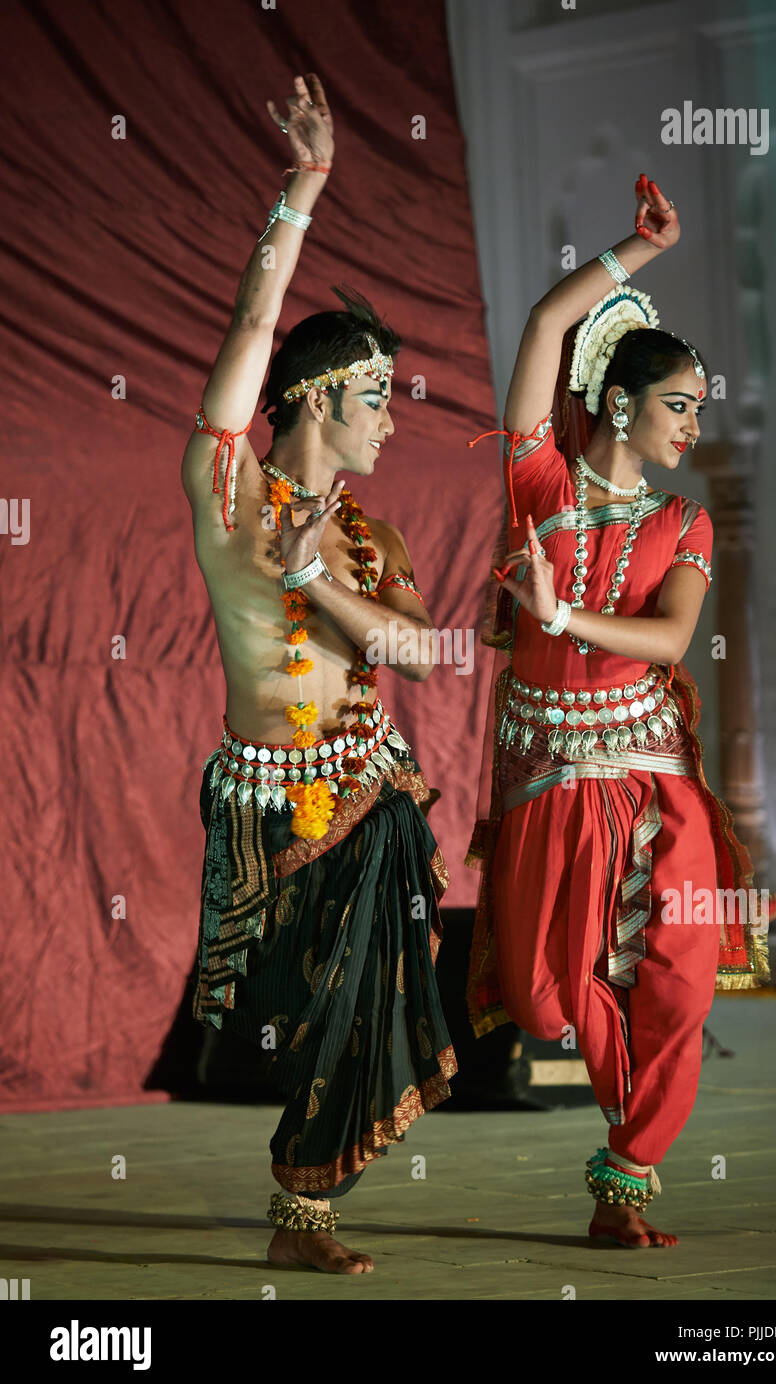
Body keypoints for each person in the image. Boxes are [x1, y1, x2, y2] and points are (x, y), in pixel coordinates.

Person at [465, 173, 776, 1248]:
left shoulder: (687, 524)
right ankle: (619, 1145)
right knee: (544, 1002)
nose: (689, 425)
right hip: (549, 779)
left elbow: (668, 640)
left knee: (681, 972)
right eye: (678, 404)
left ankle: (625, 1179)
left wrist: (565, 615)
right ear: (619, 401)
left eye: (699, 410)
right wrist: (639, 250)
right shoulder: (541, 486)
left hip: (651, 779)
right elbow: (541, 324)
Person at [180, 74, 455, 1275]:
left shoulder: (365, 539)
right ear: (312, 398)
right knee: (294, 1007)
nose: (391, 422)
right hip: (257, 799)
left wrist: (320, 586)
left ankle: (305, 1205)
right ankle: (303, 1188)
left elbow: (418, 648)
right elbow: (249, 333)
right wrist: (306, 188)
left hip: (366, 796)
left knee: (359, 985)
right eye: (376, 397)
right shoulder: (227, 491)